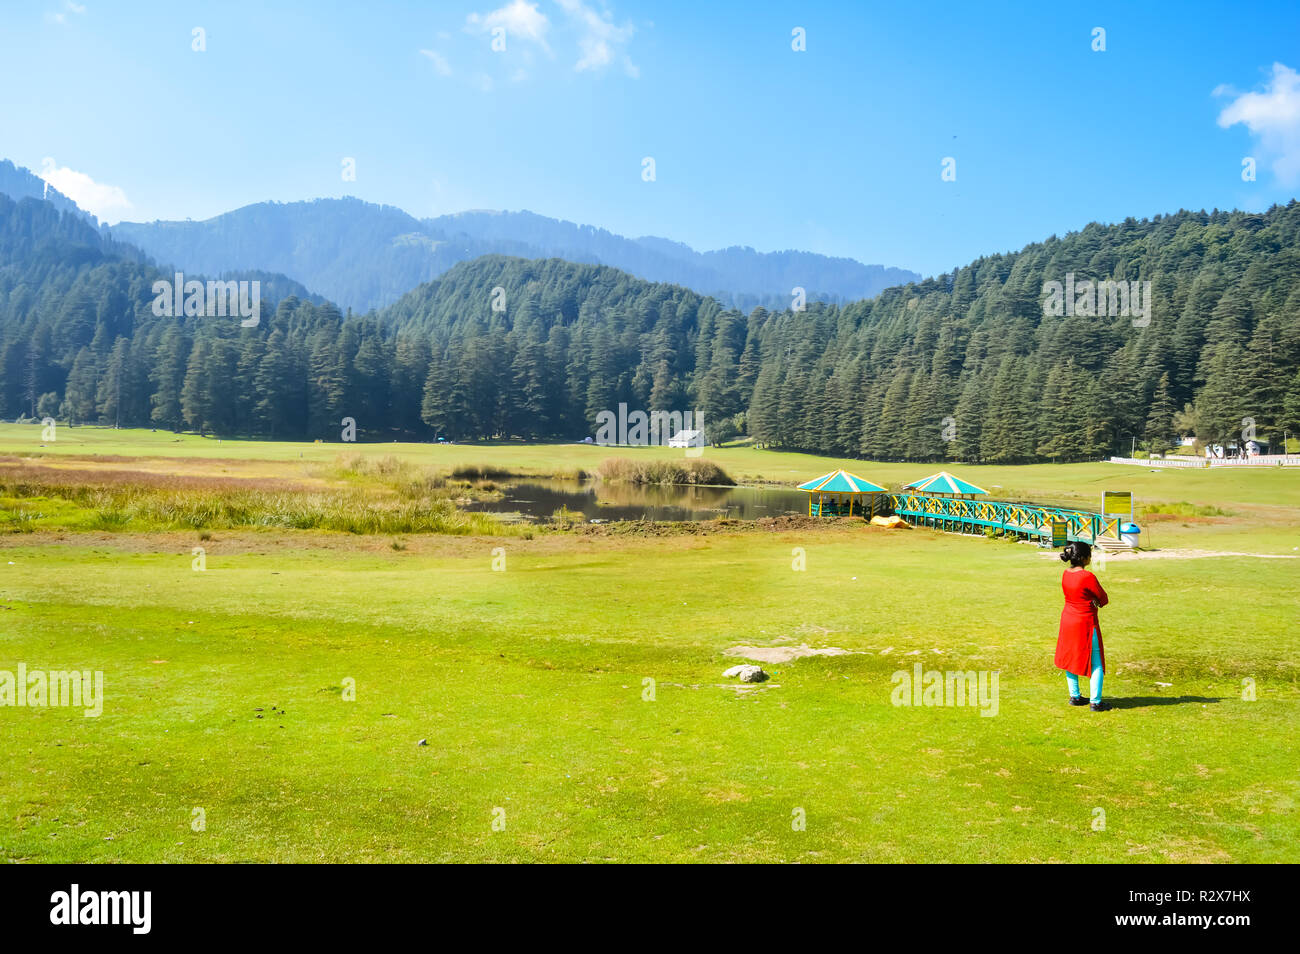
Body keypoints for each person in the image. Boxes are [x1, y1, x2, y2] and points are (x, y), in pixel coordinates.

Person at [1055, 541, 1110, 711]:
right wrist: (1094, 601)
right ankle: (1096, 701)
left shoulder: (1065, 573)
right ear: (1085, 558)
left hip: (1068, 620)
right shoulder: (1087, 577)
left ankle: (1075, 696)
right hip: (1085, 622)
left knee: (1070, 659)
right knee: (1096, 662)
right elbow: (1103, 598)